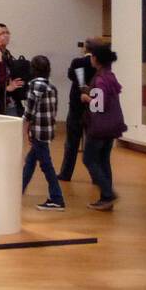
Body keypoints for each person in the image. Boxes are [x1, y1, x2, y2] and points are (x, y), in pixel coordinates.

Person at [81, 43, 126, 210]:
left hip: (99, 126)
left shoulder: (100, 79)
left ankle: (108, 193)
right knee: (104, 160)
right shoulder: (110, 76)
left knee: (89, 159)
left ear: (96, 59)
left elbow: (99, 105)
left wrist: (86, 98)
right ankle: (106, 199)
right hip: (112, 125)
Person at [20, 56, 65, 209]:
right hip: (47, 130)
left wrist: (24, 127)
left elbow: (29, 110)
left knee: (46, 165)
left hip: (38, 131)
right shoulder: (52, 87)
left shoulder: (35, 86)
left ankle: (57, 198)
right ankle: (19, 189)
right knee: (31, 161)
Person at [58, 38, 102, 182]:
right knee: (92, 143)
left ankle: (66, 173)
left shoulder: (77, 62)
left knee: (71, 142)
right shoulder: (101, 65)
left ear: (85, 49)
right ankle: (96, 176)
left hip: (77, 106)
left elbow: (72, 76)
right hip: (94, 107)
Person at [0, 23, 29, 116]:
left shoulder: (8, 55)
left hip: (11, 102)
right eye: (1, 33)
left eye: (7, 32)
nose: (5, 35)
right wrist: (6, 88)